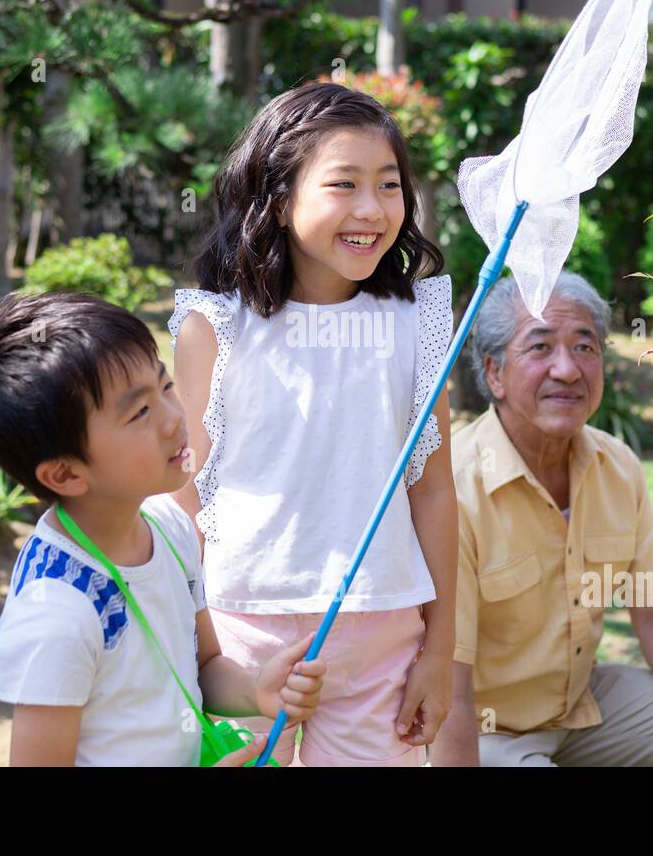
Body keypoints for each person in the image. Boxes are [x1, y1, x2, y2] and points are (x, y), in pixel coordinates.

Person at [169, 80, 458, 766]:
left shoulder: (416, 326)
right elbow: (182, 496)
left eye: (390, 186)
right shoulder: (213, 328)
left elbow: (436, 491)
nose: (372, 209)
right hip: (240, 635)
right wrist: (186, 641)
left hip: (383, 637)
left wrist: (440, 651)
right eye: (344, 184)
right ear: (276, 198)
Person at [0, 290, 326, 766]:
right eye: (139, 413)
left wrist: (258, 689)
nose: (175, 419)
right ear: (66, 474)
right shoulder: (56, 616)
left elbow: (203, 668)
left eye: (166, 385)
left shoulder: (168, 526)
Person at [433, 272, 653, 767]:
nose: (567, 369)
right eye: (540, 348)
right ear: (493, 372)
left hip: (584, 706)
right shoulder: (454, 487)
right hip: (483, 726)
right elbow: (446, 678)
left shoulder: (617, 466)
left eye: (585, 347)